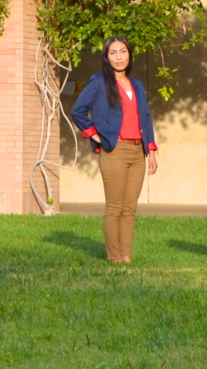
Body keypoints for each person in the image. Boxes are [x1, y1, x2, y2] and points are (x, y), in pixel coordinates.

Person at [71, 37, 160, 263]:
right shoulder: (99, 82)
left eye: (123, 52)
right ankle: (113, 257)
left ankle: (125, 256)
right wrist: (95, 136)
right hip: (115, 150)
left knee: (129, 208)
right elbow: (78, 111)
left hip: (138, 152)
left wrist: (151, 150)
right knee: (114, 207)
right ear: (106, 57)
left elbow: (145, 117)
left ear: (129, 55)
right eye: (113, 53)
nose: (119, 57)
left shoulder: (136, 85)